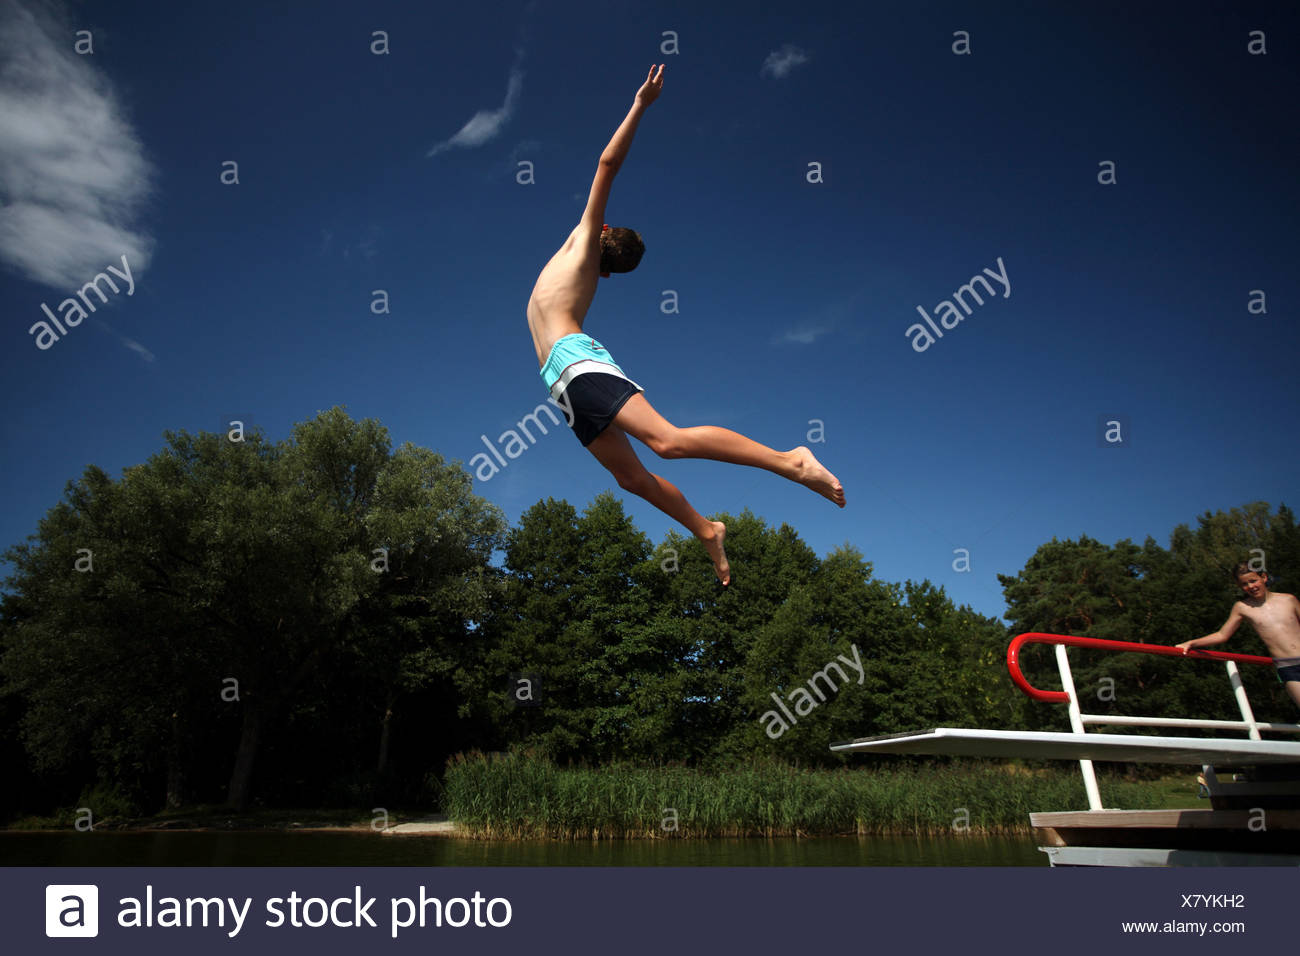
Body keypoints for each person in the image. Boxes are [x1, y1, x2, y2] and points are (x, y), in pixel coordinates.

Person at [526, 65, 845, 586]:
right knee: (631, 478)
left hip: (575, 360)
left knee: (668, 443)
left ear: (601, 246)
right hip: (558, 384)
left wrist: (640, 105)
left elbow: (606, 163)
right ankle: (705, 529)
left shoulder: (584, 244)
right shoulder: (580, 255)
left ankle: (790, 461)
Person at [1176, 564, 1300, 708]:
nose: (1250, 586)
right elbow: (1222, 634)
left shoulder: (1288, 600)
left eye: (1253, 581)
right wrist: (1192, 643)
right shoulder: (1242, 607)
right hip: (1287, 667)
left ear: (1264, 577)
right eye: (1244, 584)